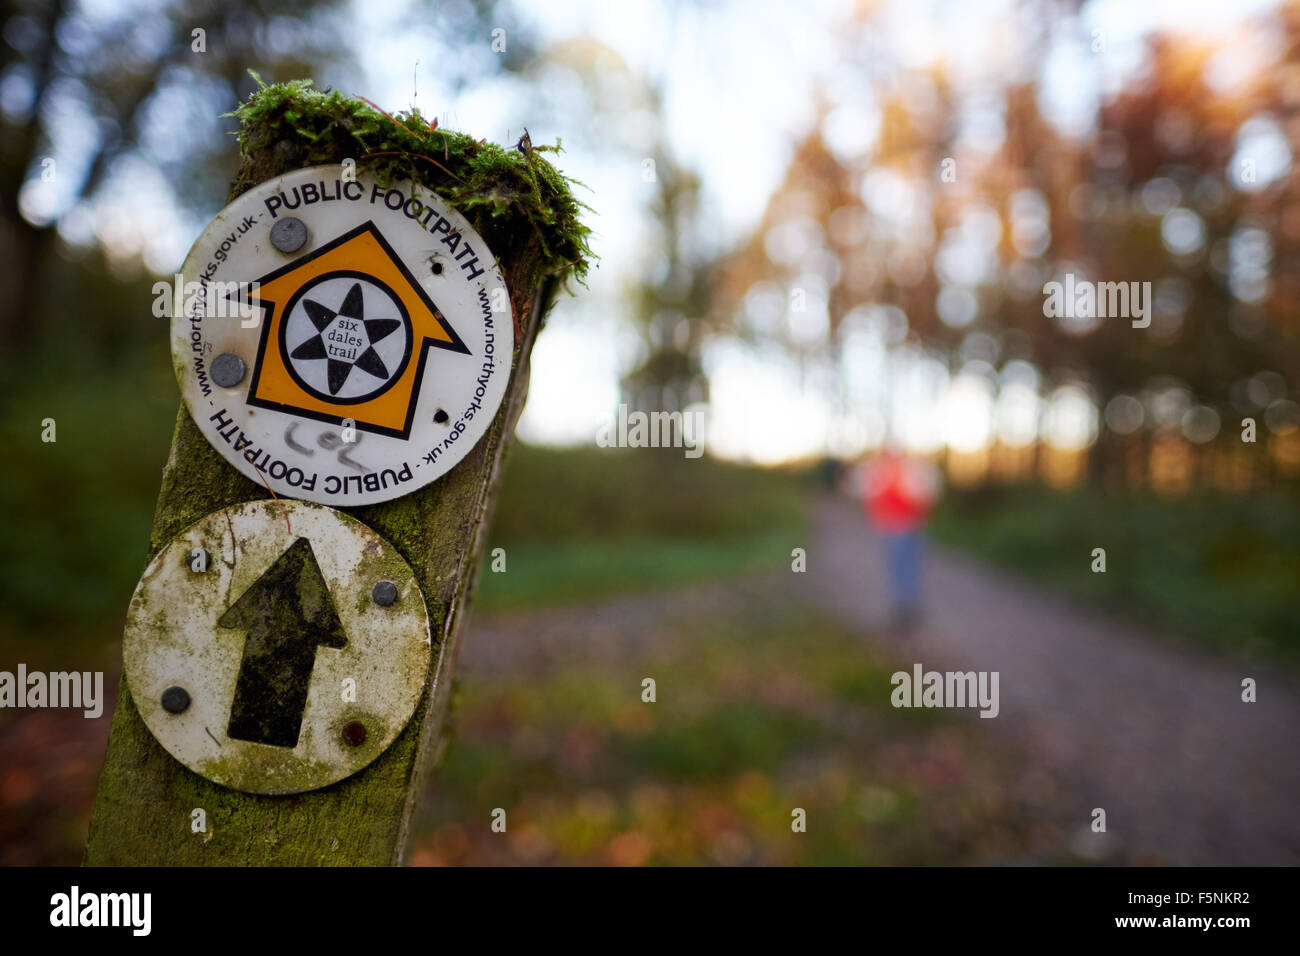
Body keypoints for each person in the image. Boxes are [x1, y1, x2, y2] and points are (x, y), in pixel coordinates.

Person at [860, 446, 941, 634]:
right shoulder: (886, 476)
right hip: (894, 528)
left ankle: (906, 607)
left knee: (905, 567)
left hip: (907, 528)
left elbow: (922, 499)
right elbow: (875, 501)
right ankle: (904, 605)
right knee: (900, 567)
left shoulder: (909, 475)